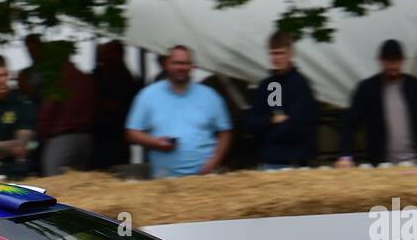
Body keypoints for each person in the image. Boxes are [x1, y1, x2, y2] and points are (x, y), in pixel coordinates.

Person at [125, 45, 233, 177]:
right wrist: (155, 142)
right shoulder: (147, 95)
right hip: (164, 180)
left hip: (205, 179)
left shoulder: (210, 96)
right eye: (176, 63)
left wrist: (213, 162)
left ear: (193, 66)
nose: (181, 68)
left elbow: (226, 132)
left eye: (186, 63)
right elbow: (131, 133)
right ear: (166, 65)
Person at [337, 40, 417, 166]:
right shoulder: (367, 89)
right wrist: (345, 156)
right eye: (389, 61)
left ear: (403, 61)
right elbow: (350, 124)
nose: (393, 66)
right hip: (383, 164)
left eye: (396, 61)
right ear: (381, 61)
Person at [244, 31, 319, 168]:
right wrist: (271, 120)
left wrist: (266, 131)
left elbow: (297, 126)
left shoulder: (301, 85)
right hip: (268, 162)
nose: (276, 58)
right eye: (273, 53)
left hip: (294, 163)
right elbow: (250, 122)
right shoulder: (268, 85)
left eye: (280, 53)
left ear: (290, 53)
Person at [36, 43, 97, 175]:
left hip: (61, 139)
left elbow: (49, 109)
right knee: (79, 185)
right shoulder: (85, 78)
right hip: (85, 138)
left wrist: (42, 134)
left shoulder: (57, 79)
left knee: (54, 182)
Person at [91, 40, 139, 170]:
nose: (105, 57)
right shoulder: (100, 74)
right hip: (101, 134)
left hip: (116, 133)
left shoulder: (124, 77)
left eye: (108, 53)